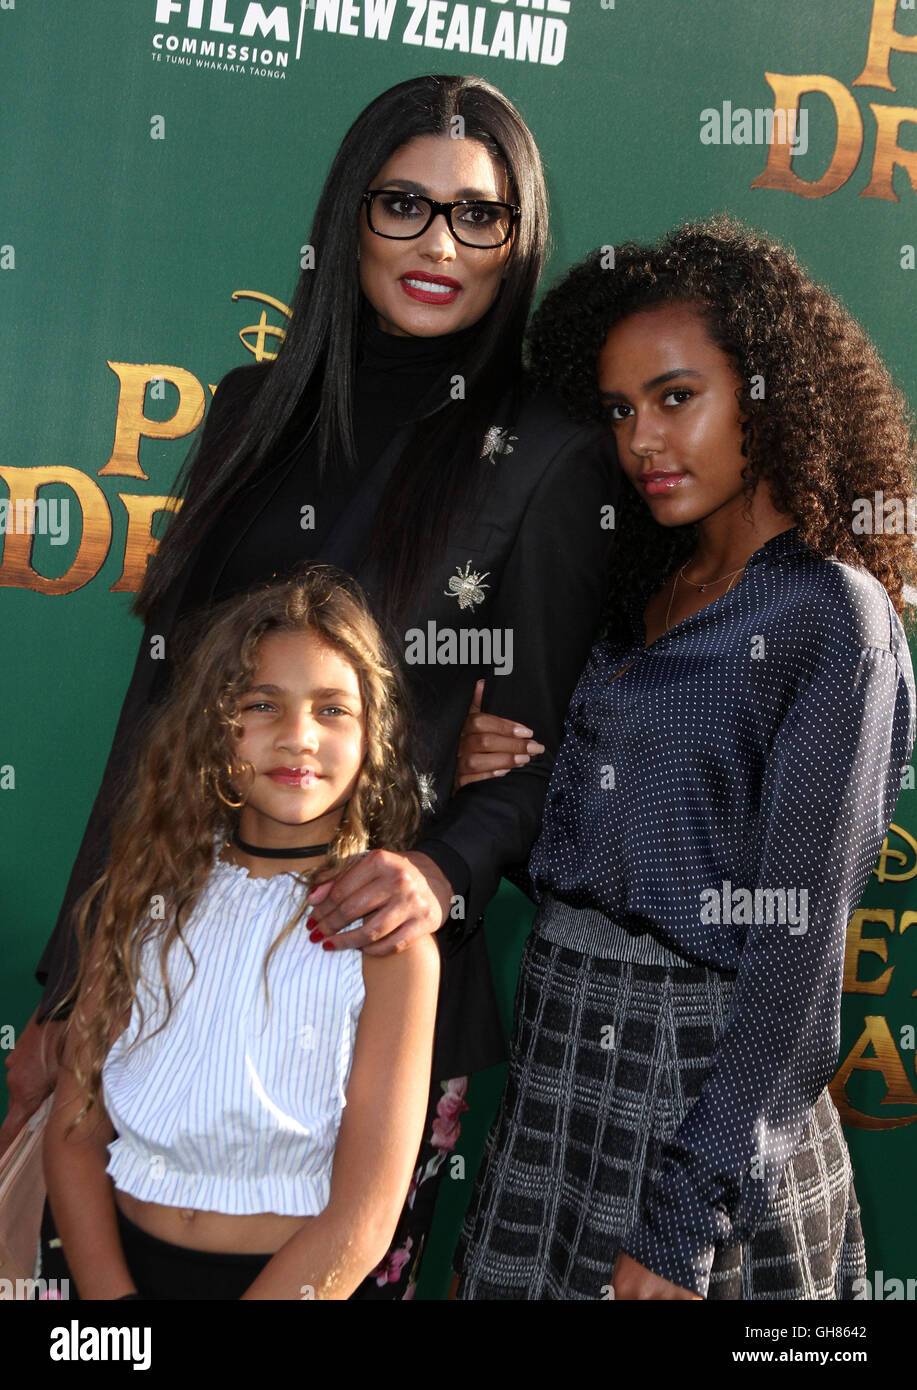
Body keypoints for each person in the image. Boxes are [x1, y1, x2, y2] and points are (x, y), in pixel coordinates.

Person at [4, 73, 616, 1297]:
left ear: (519, 235)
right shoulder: (247, 414)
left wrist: (437, 869)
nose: (440, 242)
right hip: (165, 962)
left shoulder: (549, 456)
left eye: (477, 214)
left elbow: (545, 744)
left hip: (368, 986)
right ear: (349, 218)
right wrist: (74, 980)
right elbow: (153, 719)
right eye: (404, 204)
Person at [450, 218, 917, 1300]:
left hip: (698, 1090)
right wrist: (511, 778)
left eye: (674, 397)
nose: (641, 442)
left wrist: (684, 1219)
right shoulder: (640, 591)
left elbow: (796, 969)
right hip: (561, 1057)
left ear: (769, 392)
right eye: (618, 410)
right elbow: (623, 868)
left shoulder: (827, 617)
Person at [40, 567, 440, 1300]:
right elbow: (73, 1133)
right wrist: (115, 1311)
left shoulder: (389, 941)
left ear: (371, 735)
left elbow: (365, 1213)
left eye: (331, 710)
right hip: (116, 1274)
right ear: (216, 724)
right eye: (263, 704)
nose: (297, 738)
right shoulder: (143, 898)